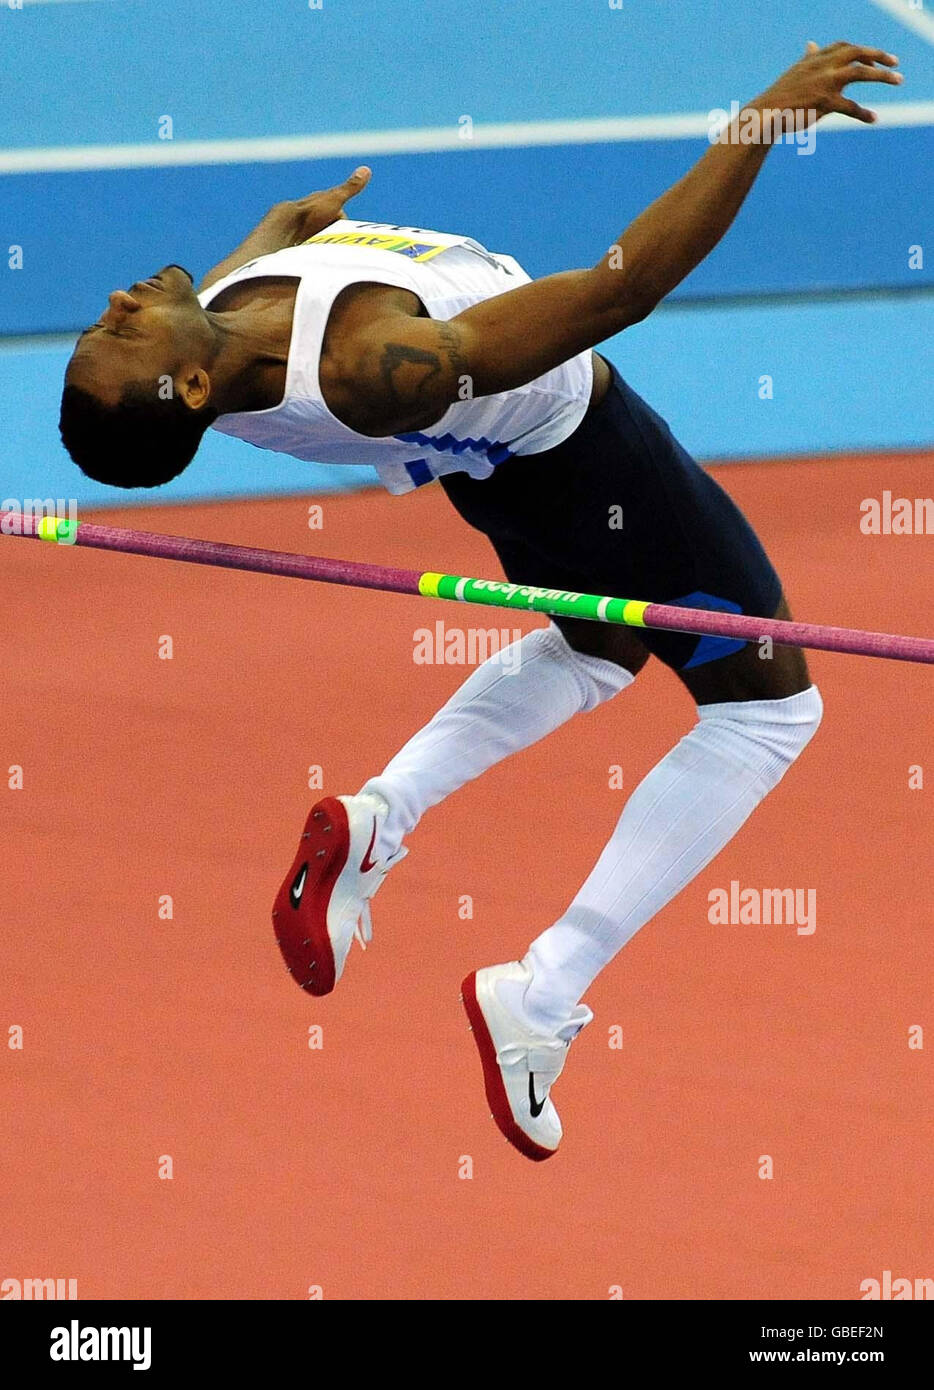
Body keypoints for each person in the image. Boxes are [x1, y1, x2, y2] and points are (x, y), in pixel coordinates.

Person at [60, 42, 902, 1159]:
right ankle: (541, 994)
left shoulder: (216, 318)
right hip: (582, 456)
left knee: (594, 651)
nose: (121, 299)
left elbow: (223, 303)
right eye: (123, 329)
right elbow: (622, 289)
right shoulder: (376, 364)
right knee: (766, 712)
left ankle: (377, 821)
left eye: (108, 318)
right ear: (196, 387)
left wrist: (281, 232)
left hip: (495, 472)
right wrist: (759, 124)